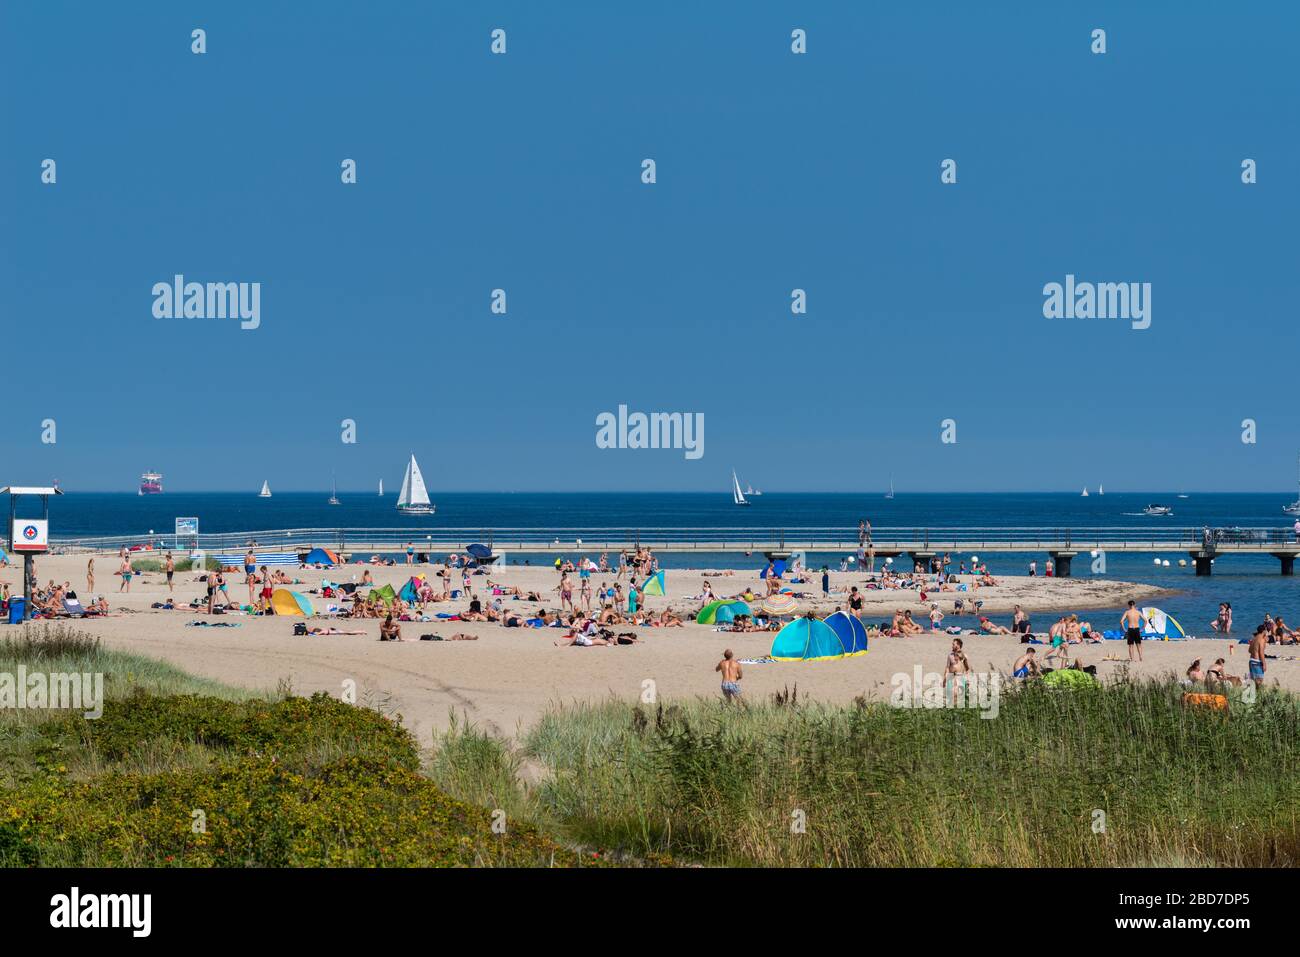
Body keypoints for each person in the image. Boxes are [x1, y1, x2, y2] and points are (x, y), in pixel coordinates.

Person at [942, 637, 971, 704]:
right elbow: (947, 667)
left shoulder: (964, 656)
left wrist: (968, 679)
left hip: (960, 677)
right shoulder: (950, 656)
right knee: (951, 697)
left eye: (953, 644)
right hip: (951, 678)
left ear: (958, 645)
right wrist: (944, 679)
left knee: (958, 697)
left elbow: (967, 669)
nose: (952, 646)